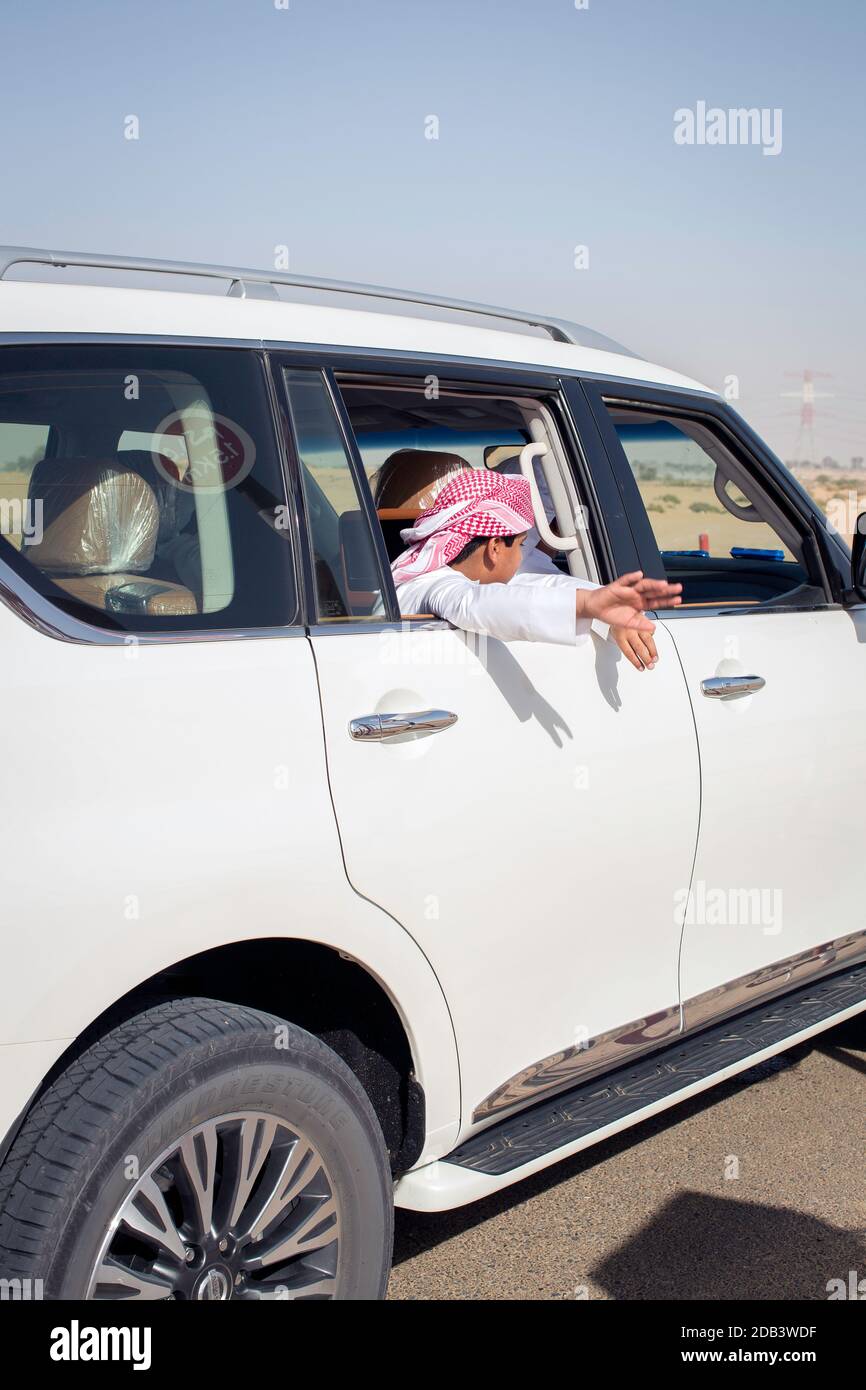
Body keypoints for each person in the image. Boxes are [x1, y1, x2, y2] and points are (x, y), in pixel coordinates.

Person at [391, 470, 682, 663]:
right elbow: (475, 604)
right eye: (520, 545)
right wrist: (587, 604)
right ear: (494, 548)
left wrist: (600, 608)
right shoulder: (435, 586)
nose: (522, 557)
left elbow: (532, 583)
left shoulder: (446, 570)